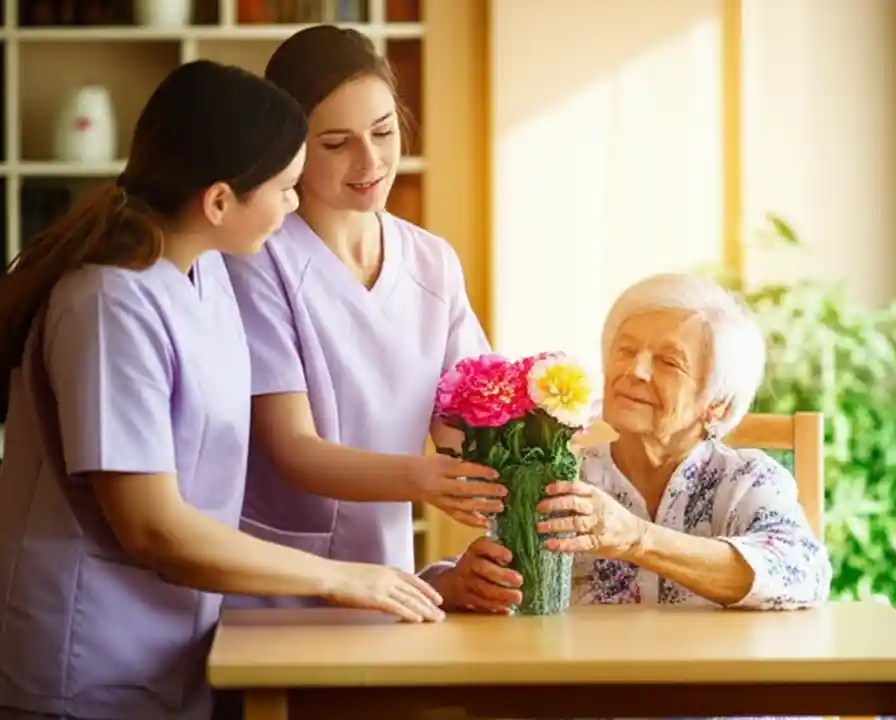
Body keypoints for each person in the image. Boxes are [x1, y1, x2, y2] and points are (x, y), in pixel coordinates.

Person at [0, 61, 445, 720]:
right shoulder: (106, 305)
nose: (295, 206)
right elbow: (152, 526)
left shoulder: (204, 278)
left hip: (173, 651)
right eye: (286, 188)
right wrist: (340, 577)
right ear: (217, 202)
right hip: (83, 663)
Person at [221, 25, 509, 613]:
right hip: (279, 580)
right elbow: (292, 448)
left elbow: (464, 419)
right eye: (336, 143)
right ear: (291, 150)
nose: (370, 161)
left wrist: (521, 457)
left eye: (383, 131)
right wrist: (425, 479)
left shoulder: (431, 261)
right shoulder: (259, 257)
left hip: (388, 575)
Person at [447, 273, 832, 611]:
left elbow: (802, 573)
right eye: (626, 350)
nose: (635, 370)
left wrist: (636, 538)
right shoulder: (562, 476)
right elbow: (495, 589)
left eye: (668, 362)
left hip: (715, 687)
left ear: (717, 403)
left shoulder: (749, 480)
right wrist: (465, 584)